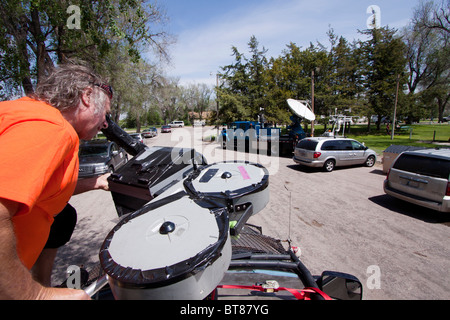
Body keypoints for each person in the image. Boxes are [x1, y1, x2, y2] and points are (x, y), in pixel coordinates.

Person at [0, 63, 113, 299]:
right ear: (86, 96)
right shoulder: (52, 128)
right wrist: (35, 295)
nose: (105, 124)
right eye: (105, 114)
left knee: (64, 216)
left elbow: (37, 189)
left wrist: (96, 182)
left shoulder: (22, 112)